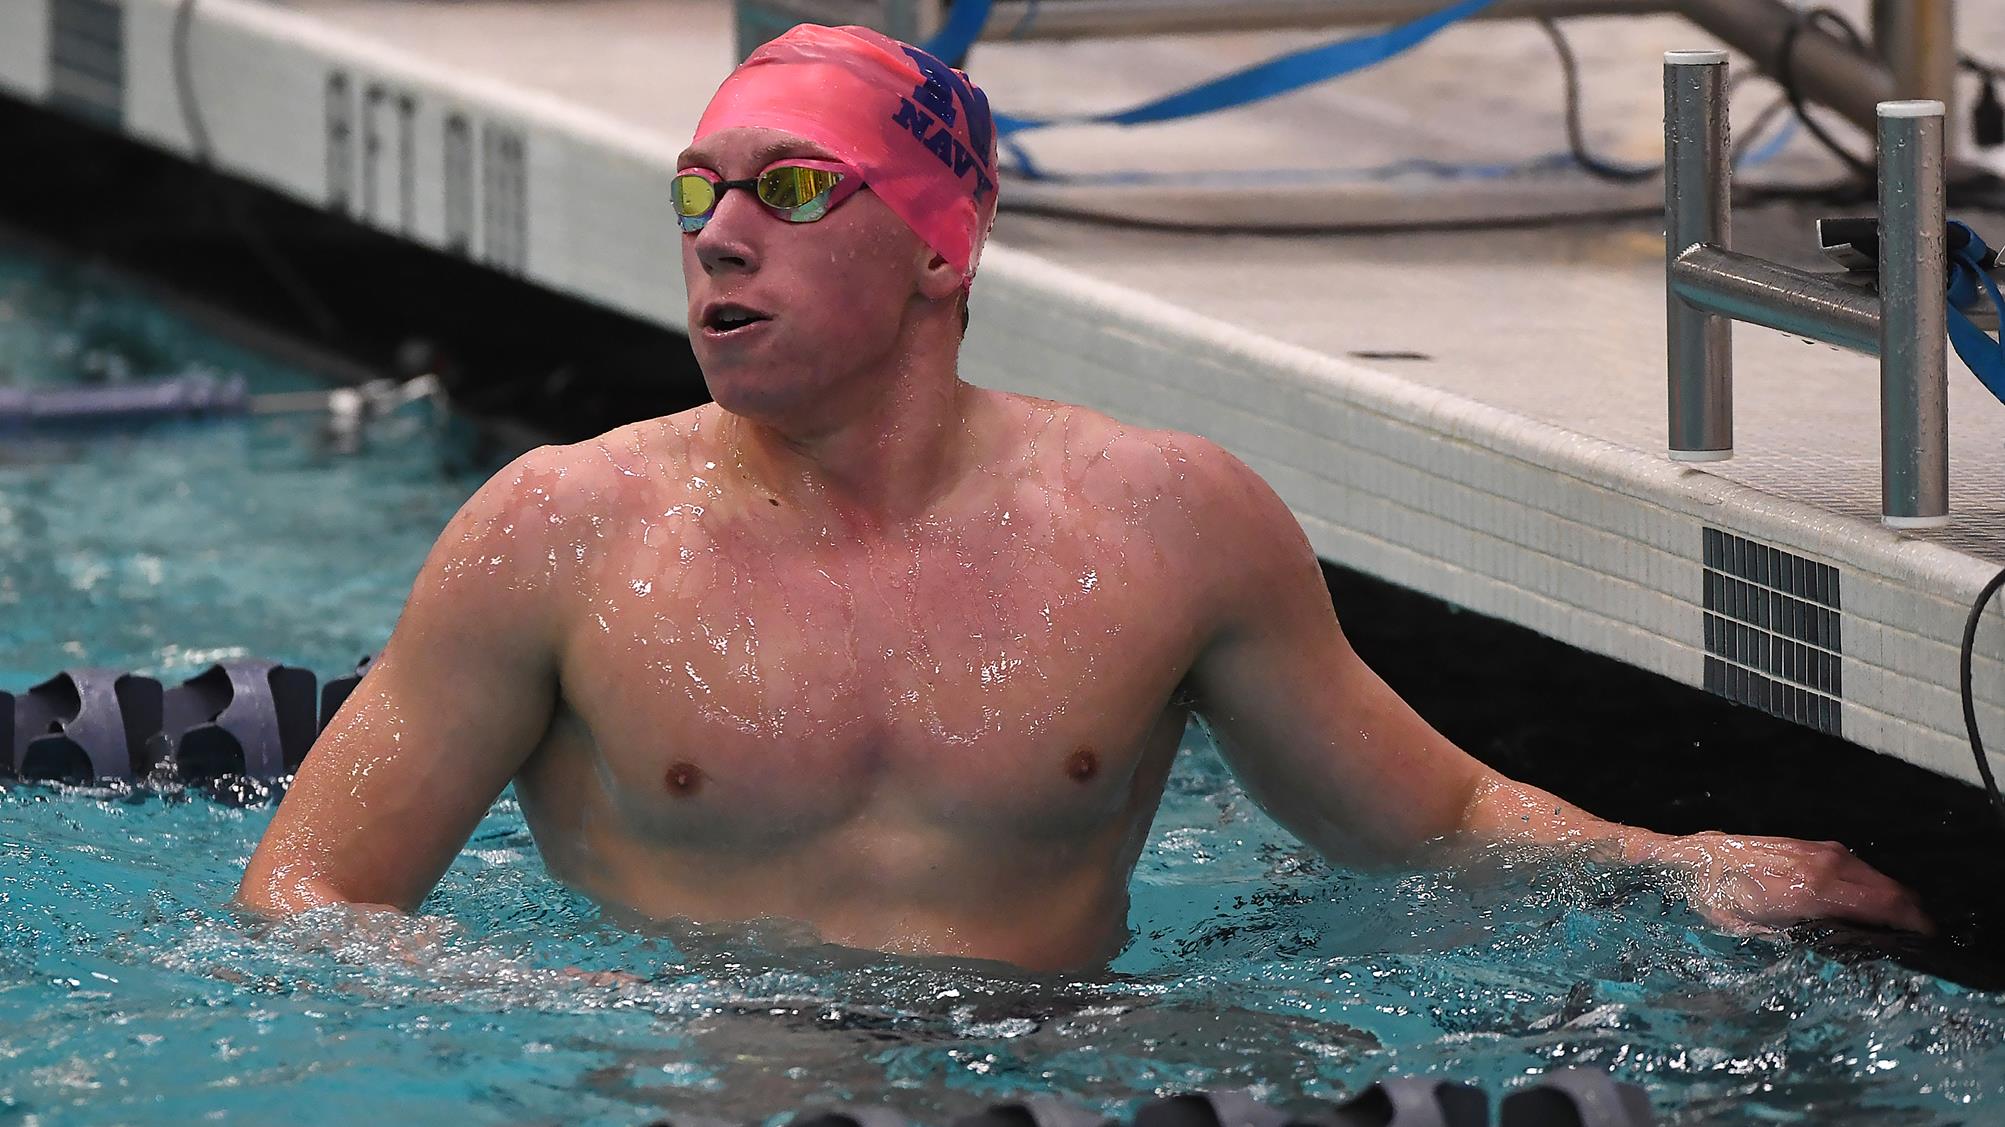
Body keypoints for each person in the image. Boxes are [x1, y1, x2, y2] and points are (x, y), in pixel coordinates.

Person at [236, 24, 1930, 971]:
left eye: (792, 188)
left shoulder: (1163, 524)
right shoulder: (555, 532)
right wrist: (501, 1008)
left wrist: (1668, 859)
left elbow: (1426, 821)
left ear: (938, 249)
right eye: (699, 190)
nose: (718, 232)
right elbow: (303, 897)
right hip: (683, 1086)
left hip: (1061, 1075)